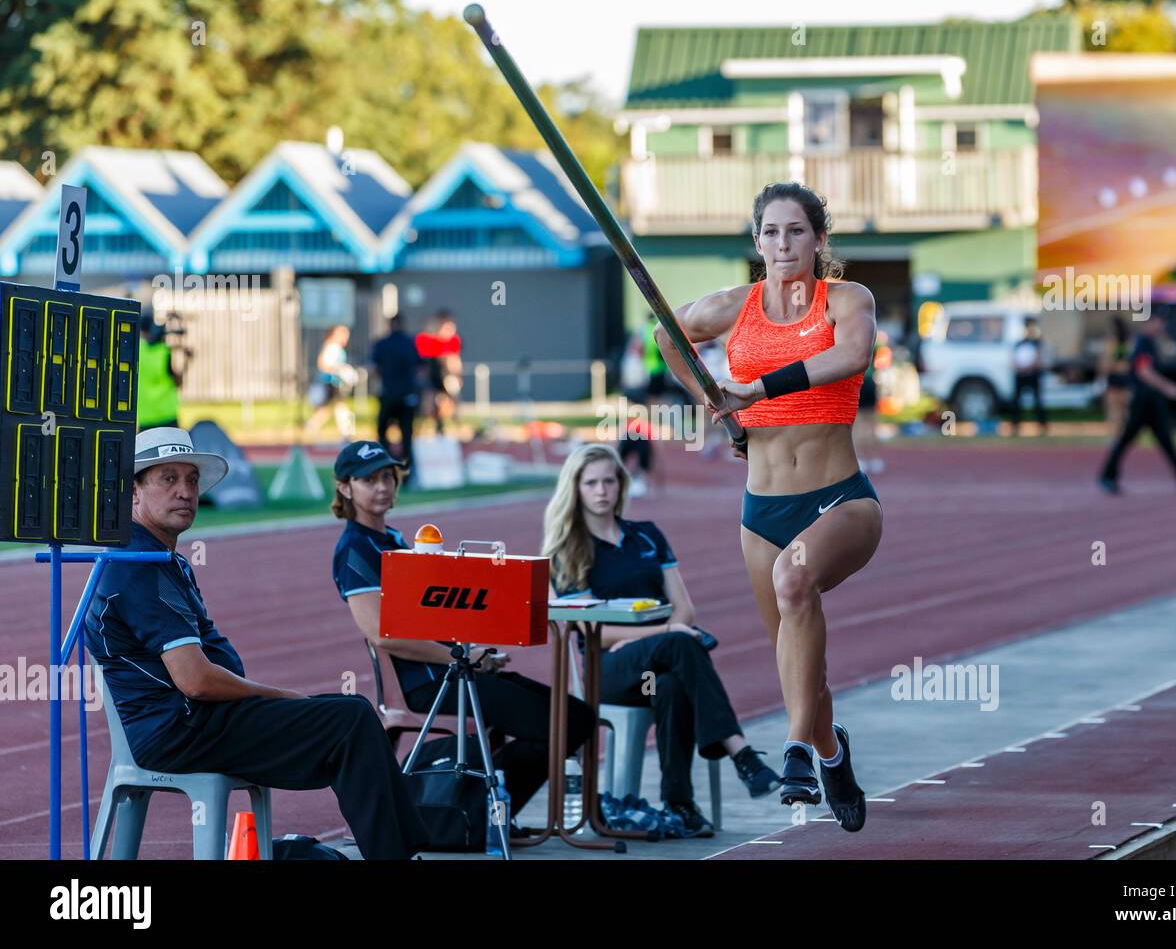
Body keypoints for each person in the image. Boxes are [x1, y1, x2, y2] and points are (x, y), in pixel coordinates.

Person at [83, 428, 433, 860]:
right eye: (168, 479)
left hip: (198, 721)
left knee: (349, 719)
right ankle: (399, 854)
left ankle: (402, 851)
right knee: (350, 721)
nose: (185, 491)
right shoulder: (138, 566)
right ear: (133, 492)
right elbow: (195, 680)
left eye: (191, 480)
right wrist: (280, 695)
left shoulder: (159, 558)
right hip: (182, 730)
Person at [652, 181, 882, 832]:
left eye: (796, 231)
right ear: (757, 241)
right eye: (771, 232)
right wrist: (709, 397)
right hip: (762, 512)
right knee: (798, 656)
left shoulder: (846, 299)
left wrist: (754, 389)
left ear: (818, 240)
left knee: (794, 580)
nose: (783, 244)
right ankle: (831, 751)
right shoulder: (734, 306)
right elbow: (665, 332)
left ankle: (795, 750)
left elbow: (852, 354)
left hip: (840, 500)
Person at [330, 441, 597, 816]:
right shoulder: (355, 550)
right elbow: (383, 634)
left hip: (455, 669)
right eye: (368, 480)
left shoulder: (394, 540)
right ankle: (480, 813)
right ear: (345, 488)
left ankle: (479, 809)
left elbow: (436, 613)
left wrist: (477, 653)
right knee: (564, 724)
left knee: (577, 717)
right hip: (428, 684)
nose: (382, 487)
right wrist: (462, 656)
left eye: (387, 476)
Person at [541, 444, 782, 837]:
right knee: (681, 643)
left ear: (621, 485)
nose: (602, 490)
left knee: (671, 683)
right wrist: (661, 632)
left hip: (650, 675)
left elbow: (684, 608)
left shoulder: (647, 536)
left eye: (609, 481)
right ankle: (743, 755)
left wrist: (657, 636)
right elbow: (587, 629)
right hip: (609, 672)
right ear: (576, 489)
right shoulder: (567, 550)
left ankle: (679, 802)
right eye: (591, 483)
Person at [1098, 311, 1176, 494]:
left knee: (1165, 440)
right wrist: (1168, 388)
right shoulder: (1143, 342)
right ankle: (1107, 476)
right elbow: (1144, 371)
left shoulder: (1149, 342)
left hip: (1149, 400)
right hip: (1144, 400)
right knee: (1129, 439)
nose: (1162, 327)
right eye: (1160, 322)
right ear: (1150, 323)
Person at [368, 313, 422, 471]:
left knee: (382, 430)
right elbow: (420, 367)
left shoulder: (382, 344)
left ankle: (385, 462)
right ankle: (407, 468)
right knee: (407, 434)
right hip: (407, 394)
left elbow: (374, 367)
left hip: (389, 393)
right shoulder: (411, 343)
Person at [305, 324, 357, 439]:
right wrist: (341, 370)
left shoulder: (335, 347)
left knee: (330, 407)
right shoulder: (332, 346)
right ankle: (346, 431)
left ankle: (312, 425)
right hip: (330, 382)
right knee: (338, 406)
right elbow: (323, 364)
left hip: (334, 382)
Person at [415, 310, 463, 435]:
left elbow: (454, 361)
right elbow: (423, 363)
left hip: (446, 375)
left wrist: (457, 376)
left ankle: (453, 423)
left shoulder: (452, 341)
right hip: (432, 376)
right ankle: (429, 425)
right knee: (429, 401)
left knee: (451, 396)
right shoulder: (428, 340)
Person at [136, 315, 183, 432]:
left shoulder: (136, 351)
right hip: (167, 414)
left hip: (145, 416)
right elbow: (178, 382)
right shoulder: (164, 351)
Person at [852, 331, 889, 474]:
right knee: (871, 423)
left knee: (859, 424)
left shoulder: (855, 340)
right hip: (869, 382)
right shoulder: (875, 341)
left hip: (860, 381)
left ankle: (862, 458)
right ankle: (873, 458)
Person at [1010, 320, 1048, 435]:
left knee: (1037, 401)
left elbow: (1038, 358)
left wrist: (1031, 367)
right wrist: (1020, 368)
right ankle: (1015, 426)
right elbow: (1014, 359)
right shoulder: (1018, 344)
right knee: (1016, 402)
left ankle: (1042, 426)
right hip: (1020, 375)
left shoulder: (1036, 343)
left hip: (1032, 374)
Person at [1099, 315, 1131, 439]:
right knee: (1125, 410)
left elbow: (1107, 364)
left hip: (1115, 379)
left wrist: (1103, 371)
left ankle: (1116, 436)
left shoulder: (1112, 344)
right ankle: (1125, 435)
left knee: (1114, 411)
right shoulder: (1128, 343)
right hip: (1125, 379)